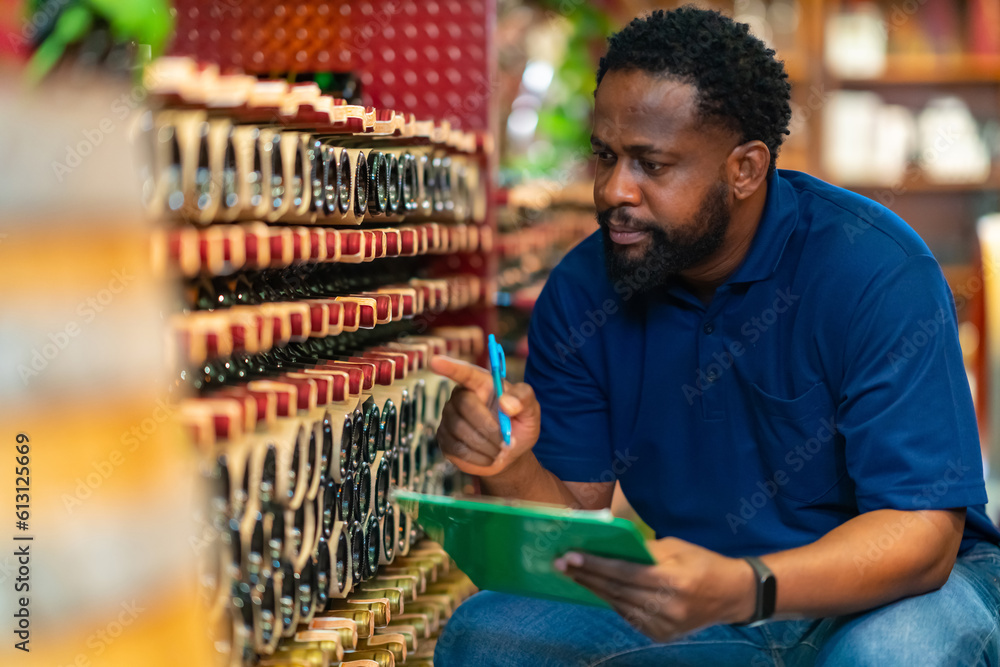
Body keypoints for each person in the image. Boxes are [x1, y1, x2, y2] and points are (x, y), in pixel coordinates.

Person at [429, 7, 1000, 667]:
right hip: (712, 604)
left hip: (897, 596)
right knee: (489, 635)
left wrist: (746, 585)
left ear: (746, 169)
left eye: (652, 164)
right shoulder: (587, 288)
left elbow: (922, 538)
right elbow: (574, 530)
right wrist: (509, 461)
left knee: (894, 654)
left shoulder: (873, 269)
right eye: (606, 155)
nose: (615, 189)